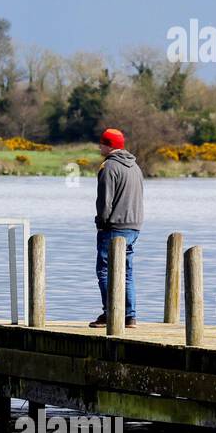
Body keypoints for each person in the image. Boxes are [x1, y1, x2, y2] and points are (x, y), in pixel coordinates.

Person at [91, 128, 144, 329]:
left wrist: (101, 221)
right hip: (134, 226)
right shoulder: (135, 167)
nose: (99, 147)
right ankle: (130, 316)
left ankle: (110, 313)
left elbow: (105, 201)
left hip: (113, 227)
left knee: (104, 270)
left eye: (102, 143)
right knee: (127, 271)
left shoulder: (109, 167)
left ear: (108, 145)